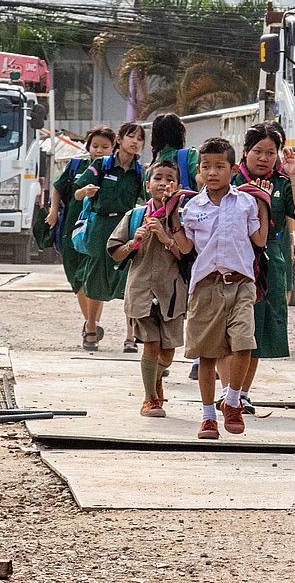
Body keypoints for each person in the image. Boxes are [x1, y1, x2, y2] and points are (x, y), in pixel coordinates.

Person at [171, 137, 270, 439]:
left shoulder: (246, 201)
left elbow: (260, 240)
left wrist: (264, 204)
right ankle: (207, 416)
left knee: (243, 343)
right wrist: (172, 218)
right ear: (199, 171)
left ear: (232, 168)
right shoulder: (192, 208)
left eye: (219, 166)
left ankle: (232, 400)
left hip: (240, 284)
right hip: (206, 286)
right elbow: (186, 247)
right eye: (206, 167)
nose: (212, 172)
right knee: (207, 354)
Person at [217, 123, 295, 414]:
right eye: (258, 151)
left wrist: (294, 176)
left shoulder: (282, 183)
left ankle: (242, 393)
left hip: (269, 261)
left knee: (255, 331)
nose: (264, 158)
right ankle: (225, 391)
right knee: (224, 329)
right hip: (230, 258)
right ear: (245, 152)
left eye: (271, 152)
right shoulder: (230, 180)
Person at [108, 159, 187, 418]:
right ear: (147, 184)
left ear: (178, 185)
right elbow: (116, 254)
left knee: (168, 352)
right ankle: (150, 399)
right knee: (150, 344)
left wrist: (166, 238)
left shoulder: (183, 218)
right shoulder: (135, 216)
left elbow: (187, 255)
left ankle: (157, 376)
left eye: (169, 179)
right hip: (142, 291)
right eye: (158, 178)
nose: (163, 183)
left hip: (171, 293)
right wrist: (134, 242)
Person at [73, 122, 146, 351]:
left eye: (140, 139)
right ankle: (91, 329)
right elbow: (77, 192)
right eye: (131, 137)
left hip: (126, 226)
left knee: (130, 281)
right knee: (95, 277)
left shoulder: (141, 172)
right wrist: (86, 192)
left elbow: (146, 199)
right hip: (100, 226)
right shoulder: (101, 166)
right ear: (120, 139)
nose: (135, 142)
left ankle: (130, 337)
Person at [150, 113, 206, 378]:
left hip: (158, 232)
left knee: (163, 297)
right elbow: (201, 184)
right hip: (189, 230)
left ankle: (159, 355)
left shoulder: (154, 163)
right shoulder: (190, 156)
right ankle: (198, 360)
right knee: (196, 295)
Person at [46, 126, 112, 351]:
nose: (99, 151)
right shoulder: (77, 166)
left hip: (98, 233)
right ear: (88, 147)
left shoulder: (114, 170)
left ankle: (91, 326)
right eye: (95, 146)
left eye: (105, 147)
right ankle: (91, 322)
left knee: (92, 278)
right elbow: (57, 188)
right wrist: (53, 211)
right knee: (76, 279)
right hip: (71, 230)